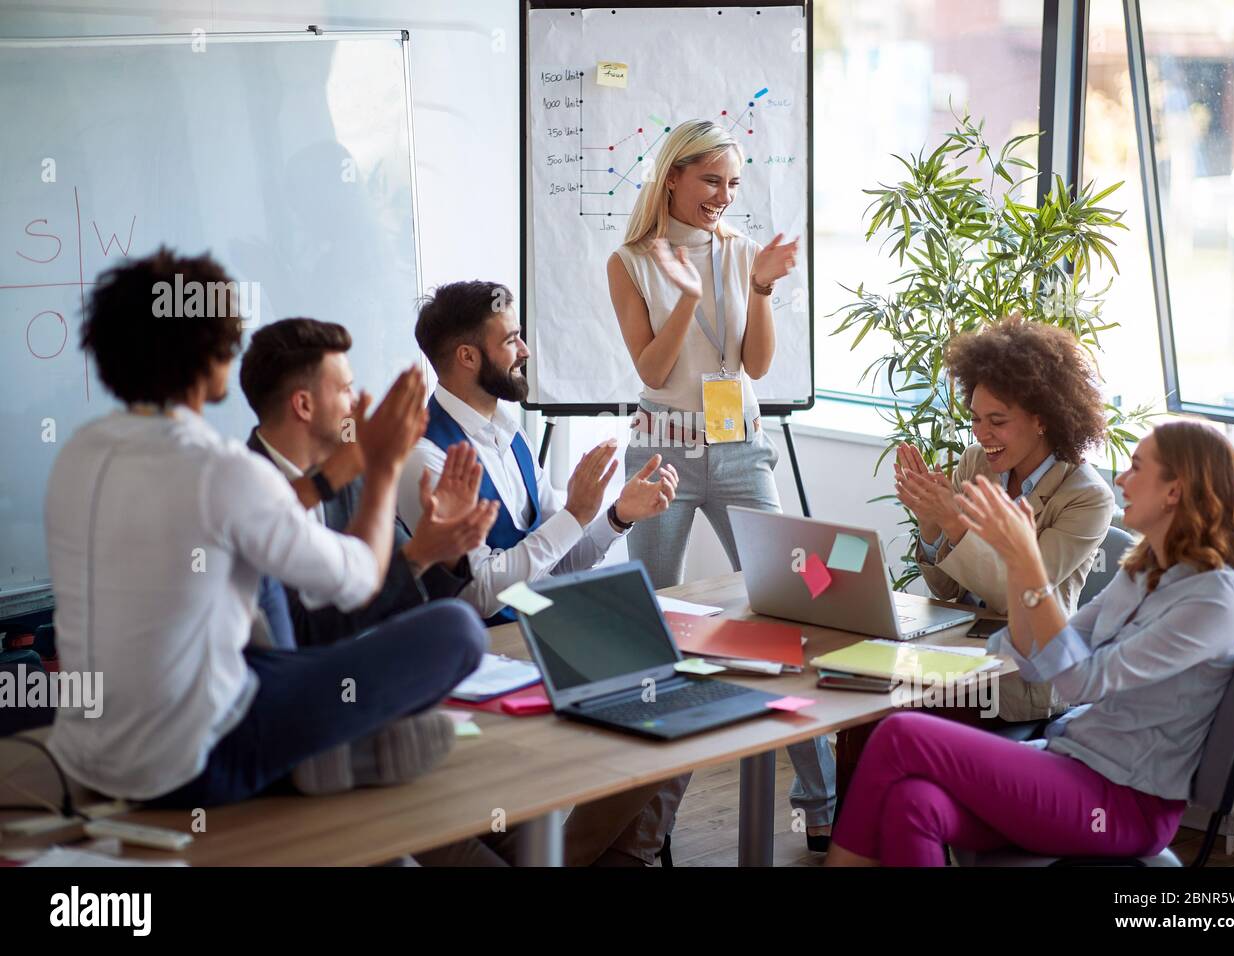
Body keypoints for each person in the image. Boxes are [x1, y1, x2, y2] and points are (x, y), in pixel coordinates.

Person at [45, 248, 486, 807]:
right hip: (196, 768)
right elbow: (358, 581)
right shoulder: (223, 470)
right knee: (458, 631)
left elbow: (248, 516)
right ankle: (322, 752)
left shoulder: (80, 453)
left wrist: (336, 476)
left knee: (254, 603)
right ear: (210, 355)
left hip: (86, 754)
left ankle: (333, 745)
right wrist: (382, 468)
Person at [828, 420, 1234, 866]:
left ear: (1175, 490)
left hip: (1122, 801)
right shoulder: (1146, 568)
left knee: (901, 733)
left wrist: (1027, 563)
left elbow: (1080, 682)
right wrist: (1021, 571)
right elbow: (1036, 661)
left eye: (1136, 468)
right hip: (1072, 760)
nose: (1121, 479)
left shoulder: (1215, 596)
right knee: (913, 801)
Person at [605, 118, 835, 849]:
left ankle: (822, 799)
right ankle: (635, 805)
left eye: (733, 184)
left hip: (739, 445)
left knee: (784, 603)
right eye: (711, 181)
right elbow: (652, 370)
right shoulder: (631, 259)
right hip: (662, 453)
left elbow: (757, 367)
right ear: (672, 175)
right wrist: (683, 294)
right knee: (647, 615)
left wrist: (761, 285)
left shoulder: (740, 251)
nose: (723, 197)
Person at [397, 280, 682, 866]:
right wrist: (576, 514)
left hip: (539, 628)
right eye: (513, 339)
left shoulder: (511, 436)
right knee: (649, 717)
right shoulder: (426, 456)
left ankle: (617, 860)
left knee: (677, 704)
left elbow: (562, 556)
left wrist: (616, 518)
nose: (525, 350)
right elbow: (476, 594)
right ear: (468, 357)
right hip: (490, 644)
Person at [894, 316, 1115, 723]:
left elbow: (1019, 595)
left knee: (899, 729)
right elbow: (947, 589)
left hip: (1019, 684)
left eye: (998, 421)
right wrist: (930, 523)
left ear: (1041, 418)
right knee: (872, 711)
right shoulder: (976, 463)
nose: (982, 434)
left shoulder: (1085, 497)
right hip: (958, 656)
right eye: (976, 419)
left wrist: (955, 524)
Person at [239, 317, 497, 648]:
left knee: (456, 627)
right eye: (346, 389)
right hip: (301, 677)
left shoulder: (351, 474)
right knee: (459, 630)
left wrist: (442, 544)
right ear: (303, 405)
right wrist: (418, 553)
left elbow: (409, 581)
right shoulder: (245, 488)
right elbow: (301, 634)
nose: (358, 403)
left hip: (366, 657)